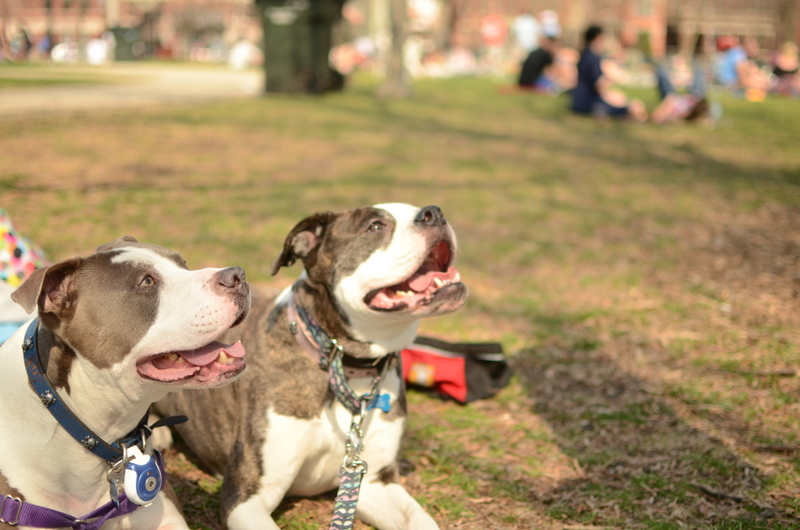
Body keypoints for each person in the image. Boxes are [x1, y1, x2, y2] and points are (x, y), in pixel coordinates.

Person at [570, 25, 647, 121]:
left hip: (581, 100)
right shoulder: (591, 58)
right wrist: (612, 75)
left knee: (621, 99)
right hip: (587, 102)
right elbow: (598, 86)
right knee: (631, 107)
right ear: (598, 38)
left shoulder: (587, 54)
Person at [650, 59, 711, 125]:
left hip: (674, 98)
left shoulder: (679, 112)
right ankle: (698, 64)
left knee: (662, 74)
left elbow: (656, 117)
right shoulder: (696, 102)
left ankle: (659, 65)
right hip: (694, 99)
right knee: (698, 81)